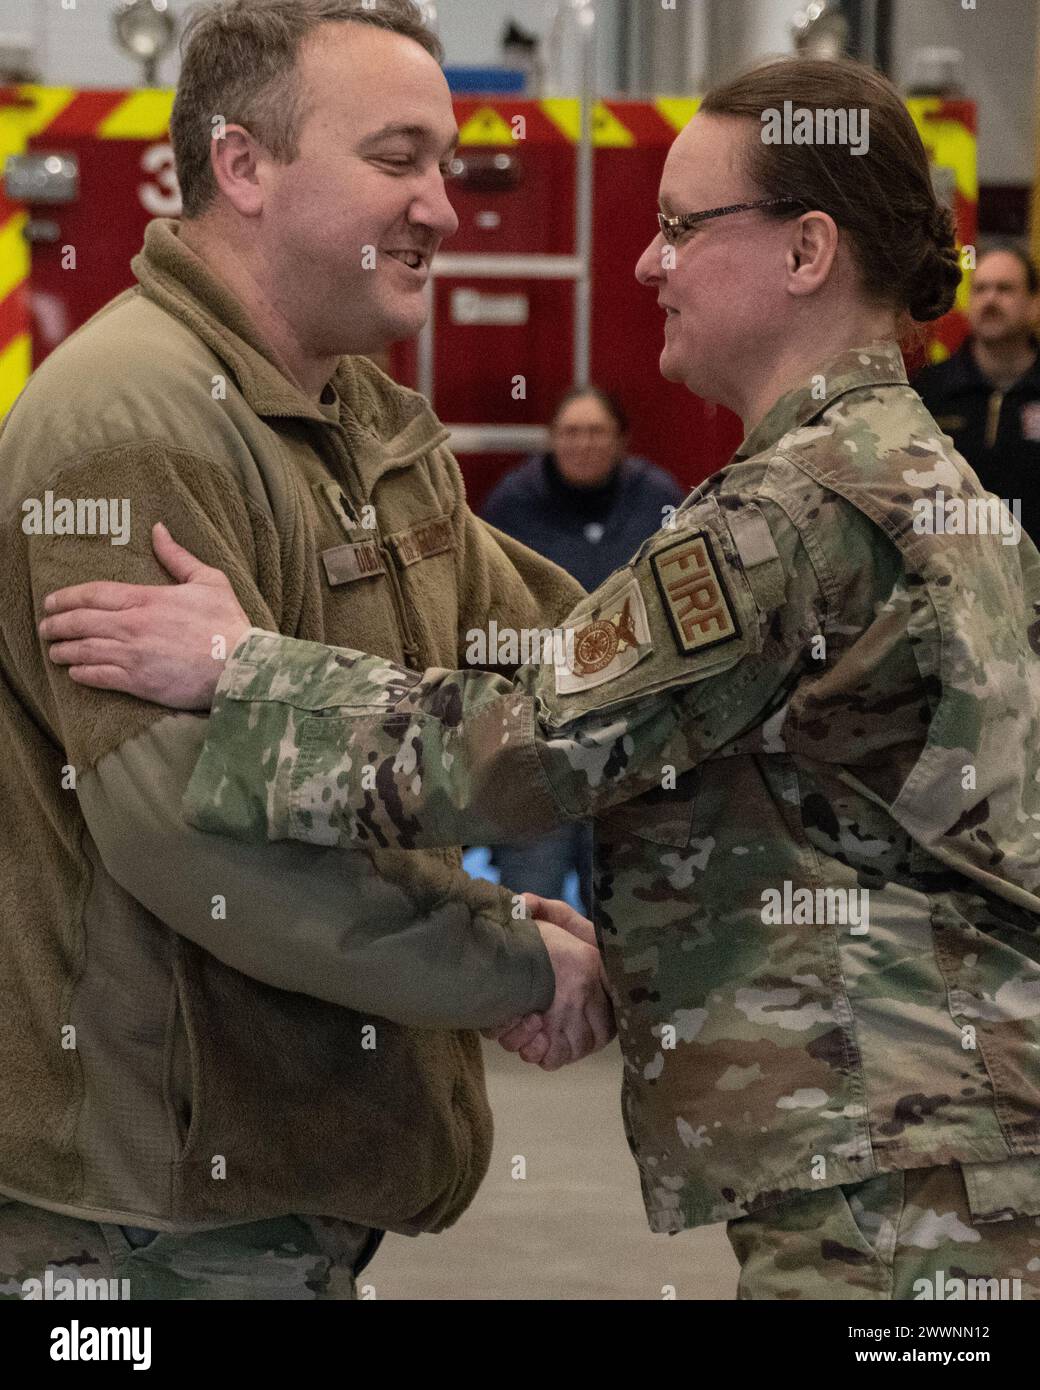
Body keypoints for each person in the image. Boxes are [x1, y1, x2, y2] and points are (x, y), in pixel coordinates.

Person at [39, 55, 1040, 1302]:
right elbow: (604, 660)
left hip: (896, 1173)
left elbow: (531, 737)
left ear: (805, 253)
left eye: (681, 228)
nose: (645, 264)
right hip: (935, 1142)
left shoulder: (794, 513)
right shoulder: (918, 481)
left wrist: (241, 669)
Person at [0, 0, 615, 1303]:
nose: (445, 207)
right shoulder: (132, 424)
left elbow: (557, 662)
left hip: (280, 1181)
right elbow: (191, 839)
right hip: (146, 1211)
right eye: (399, 160)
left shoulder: (363, 419)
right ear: (244, 167)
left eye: (446, 164)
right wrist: (503, 954)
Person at [482, 386, 684, 910]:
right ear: (551, 440)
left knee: (628, 908)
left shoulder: (657, 497)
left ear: (621, 441)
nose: (583, 443)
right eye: (571, 432)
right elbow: (482, 613)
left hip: (633, 740)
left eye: (596, 432)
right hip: (537, 740)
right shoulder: (511, 504)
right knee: (530, 903)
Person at [915, 243, 1040, 544]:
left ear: (1035, 303)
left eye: (1005, 289)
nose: (990, 299)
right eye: (981, 289)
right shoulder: (928, 392)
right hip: (955, 575)